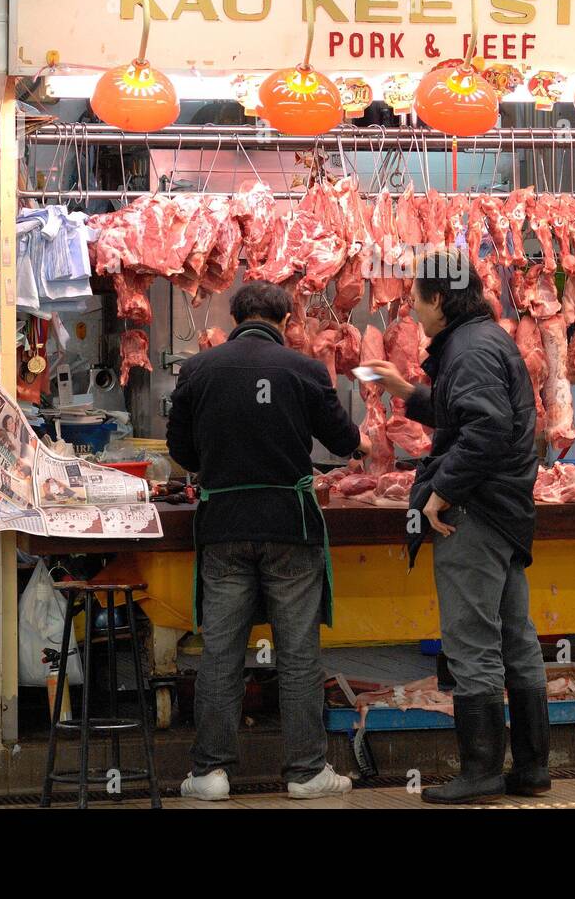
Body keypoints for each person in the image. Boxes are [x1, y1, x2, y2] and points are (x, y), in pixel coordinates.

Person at [167, 280, 369, 802]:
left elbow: (182, 453)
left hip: (224, 526)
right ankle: (306, 772)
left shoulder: (199, 370)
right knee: (299, 653)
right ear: (284, 322)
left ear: (236, 318)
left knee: (221, 652)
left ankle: (210, 773)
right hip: (289, 527)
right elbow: (346, 443)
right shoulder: (303, 369)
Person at [367, 249, 550, 804]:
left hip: (475, 516)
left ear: (438, 299)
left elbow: (486, 430)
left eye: (416, 299)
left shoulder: (469, 349)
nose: (413, 310)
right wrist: (404, 390)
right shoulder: (484, 340)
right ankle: (532, 770)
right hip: (505, 512)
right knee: (516, 641)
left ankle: (480, 773)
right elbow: (467, 414)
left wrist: (440, 494)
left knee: (472, 646)